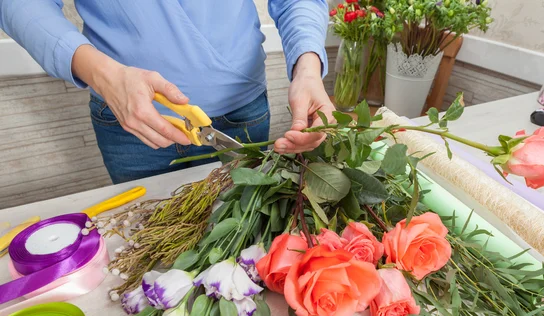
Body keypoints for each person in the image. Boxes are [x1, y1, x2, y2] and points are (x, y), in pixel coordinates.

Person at [0, 0, 335, 183]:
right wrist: (104, 75)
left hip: (244, 111)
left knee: (246, 236)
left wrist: (307, 68)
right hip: (131, 125)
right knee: (151, 244)